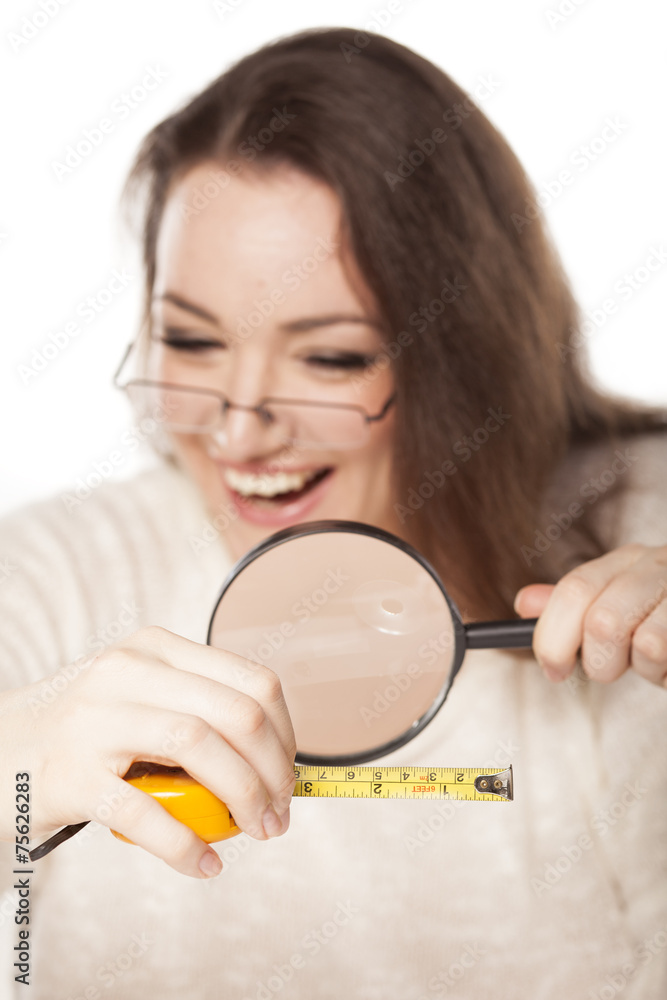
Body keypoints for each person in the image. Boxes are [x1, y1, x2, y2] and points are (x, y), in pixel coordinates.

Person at [1, 25, 666, 1000]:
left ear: (467, 355)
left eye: (330, 357)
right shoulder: (58, 578)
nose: (238, 428)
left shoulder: (642, 548)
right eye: (190, 341)